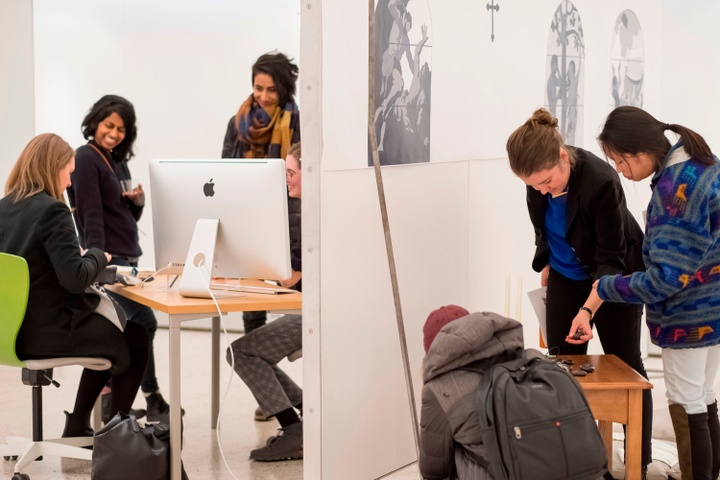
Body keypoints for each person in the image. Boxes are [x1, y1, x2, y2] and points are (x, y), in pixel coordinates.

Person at [506, 107, 653, 476]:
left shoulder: (600, 181)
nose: (541, 189)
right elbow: (546, 231)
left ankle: (639, 457)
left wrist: (587, 310)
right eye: (533, 185)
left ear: (561, 156)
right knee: (560, 369)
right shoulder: (537, 180)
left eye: (546, 181)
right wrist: (550, 263)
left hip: (617, 274)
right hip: (568, 277)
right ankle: (573, 460)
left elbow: (610, 258)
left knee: (627, 365)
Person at [581, 106, 720, 480]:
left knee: (688, 400)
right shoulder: (702, 163)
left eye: (621, 161)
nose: (621, 172)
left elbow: (666, 278)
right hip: (713, 306)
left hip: (688, 316)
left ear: (641, 152)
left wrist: (609, 286)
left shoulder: (676, 188)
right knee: (703, 395)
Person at [0, 133, 149, 438]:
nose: (70, 183)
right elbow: (76, 279)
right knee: (135, 335)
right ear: (53, 168)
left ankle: (77, 424)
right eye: (68, 172)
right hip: (45, 334)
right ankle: (117, 439)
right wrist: (97, 256)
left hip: (8, 333)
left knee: (106, 330)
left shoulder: (4, 208)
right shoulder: (52, 211)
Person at [67, 94, 174, 422]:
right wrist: (97, 259)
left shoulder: (115, 160)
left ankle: (112, 399)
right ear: (95, 122)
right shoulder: (86, 158)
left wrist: (136, 203)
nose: (114, 133)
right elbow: (90, 212)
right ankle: (147, 397)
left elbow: (123, 218)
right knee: (143, 323)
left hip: (127, 256)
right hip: (109, 260)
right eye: (109, 125)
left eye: (121, 129)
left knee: (127, 330)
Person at [226, 141, 303, 462]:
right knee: (250, 351)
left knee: (241, 351)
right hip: (321, 307)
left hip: (322, 313)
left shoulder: (309, 217)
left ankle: (296, 430)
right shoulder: (316, 210)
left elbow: (289, 278)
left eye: (291, 172)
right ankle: (308, 414)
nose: (287, 179)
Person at [221, 51, 301, 347]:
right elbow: (224, 172)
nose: (264, 96)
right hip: (248, 221)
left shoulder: (297, 124)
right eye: (258, 88)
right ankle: (253, 357)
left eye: (271, 89)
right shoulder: (238, 122)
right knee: (250, 305)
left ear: (283, 88)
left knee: (301, 307)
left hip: (289, 223)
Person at [419, 305, 526, 479]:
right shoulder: (530, 358)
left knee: (456, 448)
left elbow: (433, 469)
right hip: (554, 465)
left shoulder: (439, 389)